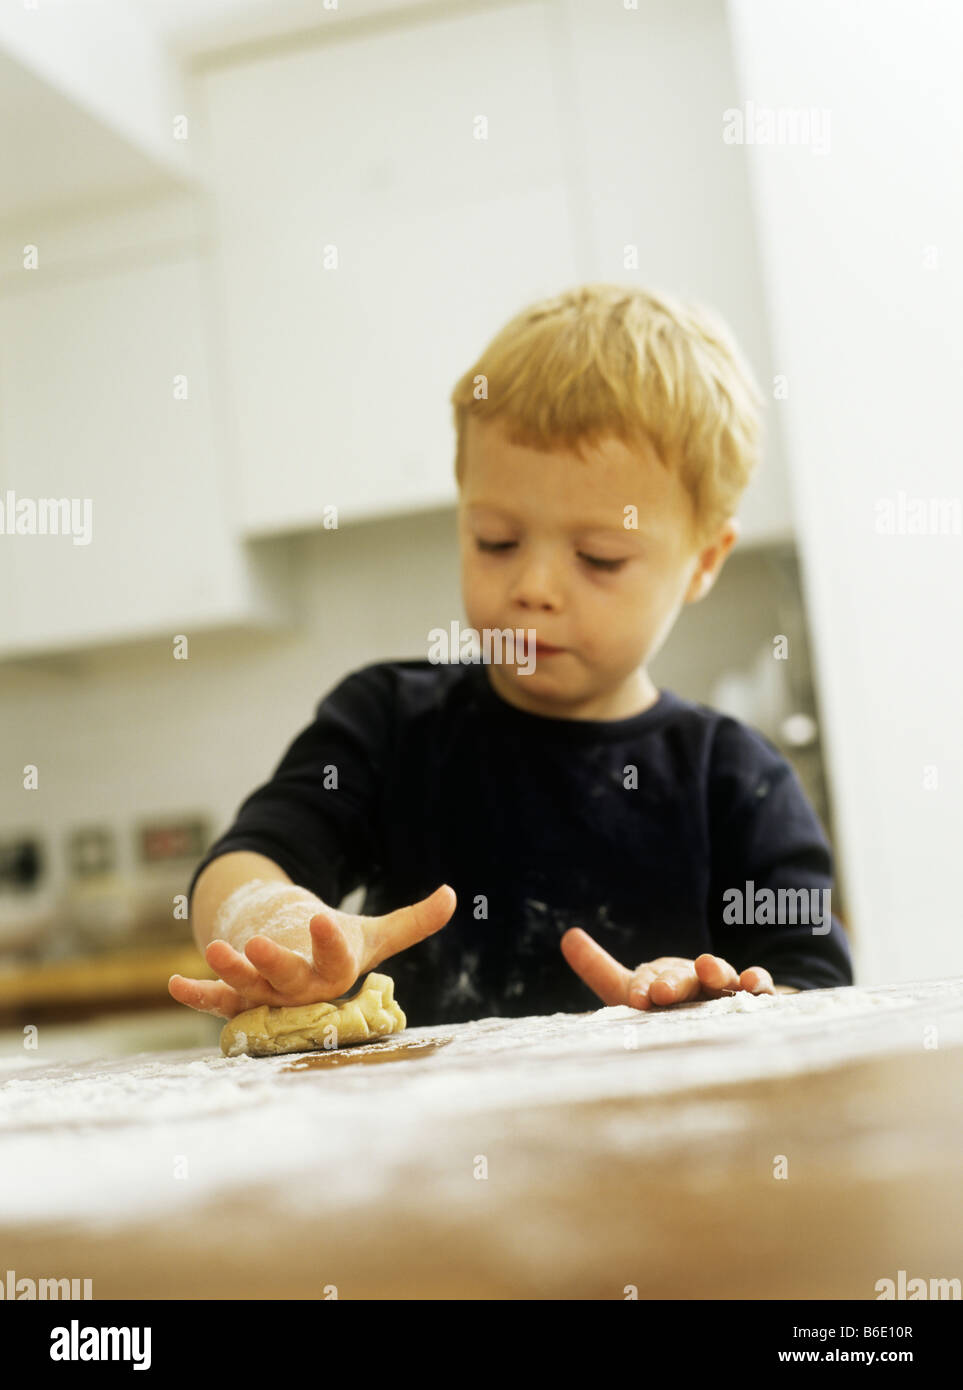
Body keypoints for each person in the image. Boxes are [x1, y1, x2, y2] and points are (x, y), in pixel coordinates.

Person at [171, 284, 853, 1029]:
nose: (532, 588)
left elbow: (811, 990)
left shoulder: (739, 784)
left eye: (598, 557)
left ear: (702, 561)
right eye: (496, 540)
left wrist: (725, 1010)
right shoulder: (387, 725)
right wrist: (278, 926)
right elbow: (247, 859)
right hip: (425, 1143)